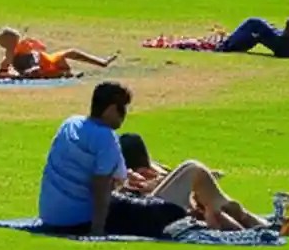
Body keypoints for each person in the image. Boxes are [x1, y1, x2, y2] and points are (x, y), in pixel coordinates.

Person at [38, 82, 189, 237]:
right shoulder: (105, 137)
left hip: (51, 216)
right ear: (111, 109)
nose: (124, 115)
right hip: (80, 220)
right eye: (122, 109)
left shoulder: (70, 124)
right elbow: (100, 185)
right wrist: (97, 230)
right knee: (170, 210)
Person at [118, 133, 267, 231]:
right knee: (213, 207)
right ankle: (250, 221)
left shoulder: (121, 176)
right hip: (152, 215)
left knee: (212, 209)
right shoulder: (125, 181)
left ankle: (250, 221)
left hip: (153, 211)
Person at [0, 28, 116, 78]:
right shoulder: (10, 54)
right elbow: (4, 69)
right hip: (40, 69)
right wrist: (8, 73)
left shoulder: (24, 46)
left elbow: (37, 54)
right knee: (37, 72)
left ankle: (102, 62)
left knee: (71, 52)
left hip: (47, 62)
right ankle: (66, 74)